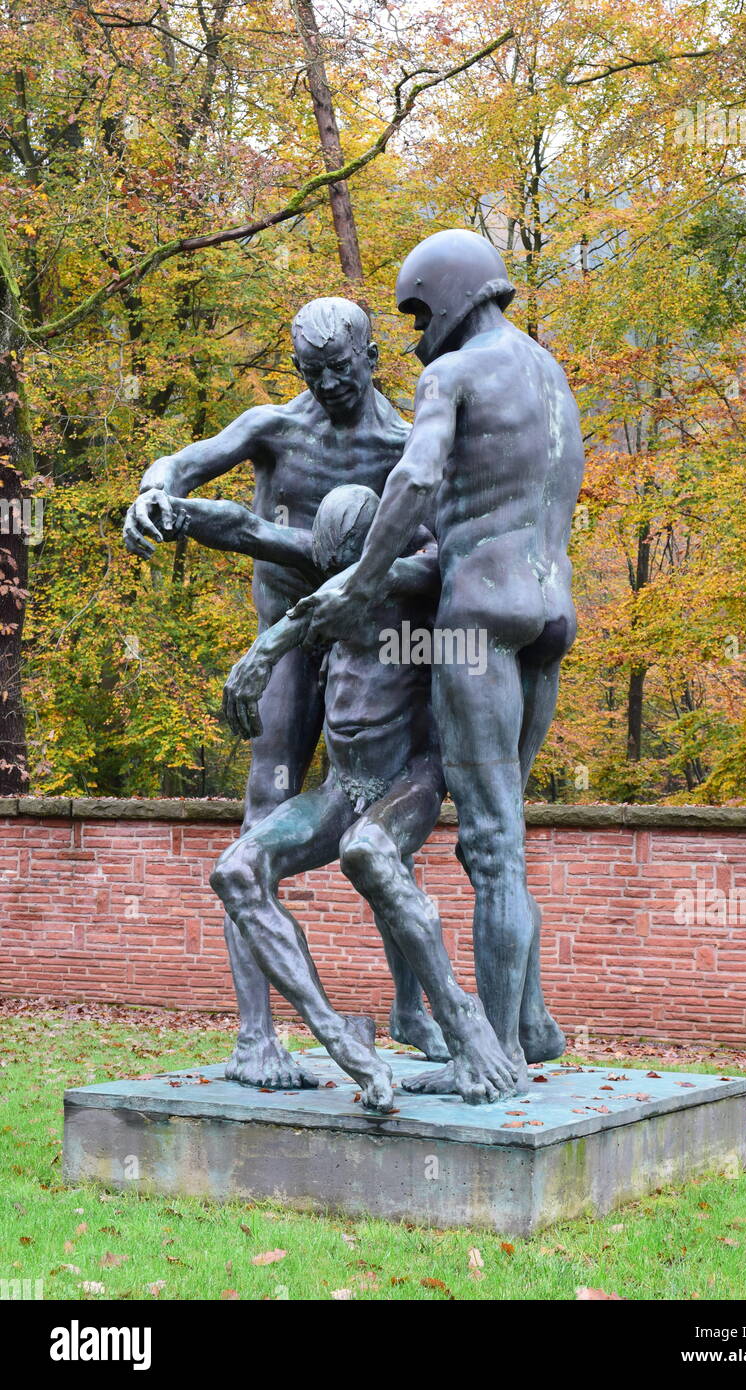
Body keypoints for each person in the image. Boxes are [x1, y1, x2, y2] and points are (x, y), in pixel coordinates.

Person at [122, 297, 445, 1085]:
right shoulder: (273, 427)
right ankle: (256, 1039)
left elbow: (437, 552)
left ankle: (409, 1007)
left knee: (378, 829)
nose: (328, 384)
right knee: (262, 817)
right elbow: (185, 462)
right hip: (285, 653)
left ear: (373, 358)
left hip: (369, 647)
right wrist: (152, 491)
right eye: (311, 371)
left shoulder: (404, 446)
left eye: (341, 369)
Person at [292, 230, 584, 1099]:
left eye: (418, 311)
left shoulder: (450, 376)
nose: (417, 331)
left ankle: (481, 1058)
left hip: (479, 621)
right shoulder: (551, 377)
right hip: (550, 613)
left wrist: (360, 586)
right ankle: (528, 1024)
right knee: (508, 838)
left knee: (490, 847)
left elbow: (414, 484)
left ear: (452, 293)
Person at [168, 485, 514, 1109]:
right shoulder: (334, 591)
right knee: (237, 870)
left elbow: (357, 586)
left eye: (349, 560)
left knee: (369, 853)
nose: (339, 578)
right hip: (341, 786)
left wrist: (262, 652)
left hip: (410, 779)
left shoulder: (425, 571)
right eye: (330, 564)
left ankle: (464, 1025)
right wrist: (177, 510)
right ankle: (338, 1037)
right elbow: (260, 546)